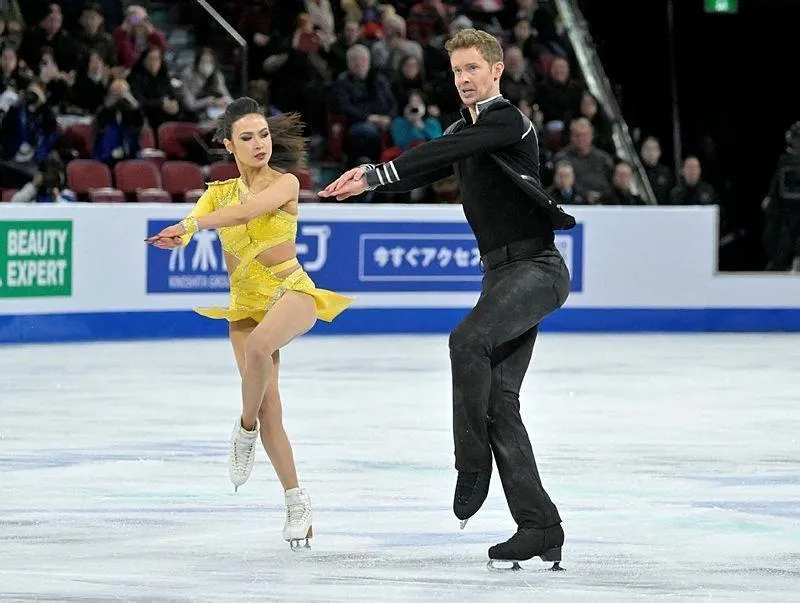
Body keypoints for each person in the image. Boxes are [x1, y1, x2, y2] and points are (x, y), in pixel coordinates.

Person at [320, 28, 573, 569]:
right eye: (457, 71)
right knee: (499, 402)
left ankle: (471, 464)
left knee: (466, 340)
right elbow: (432, 161)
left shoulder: (508, 121)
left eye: (472, 68)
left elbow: (447, 149)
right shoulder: (464, 131)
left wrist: (377, 171)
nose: (463, 79)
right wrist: (370, 182)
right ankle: (540, 525)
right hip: (500, 277)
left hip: (537, 269)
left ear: (497, 70)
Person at [146, 97, 353, 548]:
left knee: (260, 349)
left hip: (291, 292)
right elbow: (200, 220)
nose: (260, 144)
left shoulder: (286, 183)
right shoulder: (217, 193)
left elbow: (243, 214)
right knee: (269, 405)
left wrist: (191, 226)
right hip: (244, 305)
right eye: (247, 137)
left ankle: (243, 432)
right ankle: (296, 502)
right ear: (229, 145)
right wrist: (179, 234)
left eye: (263, 135)